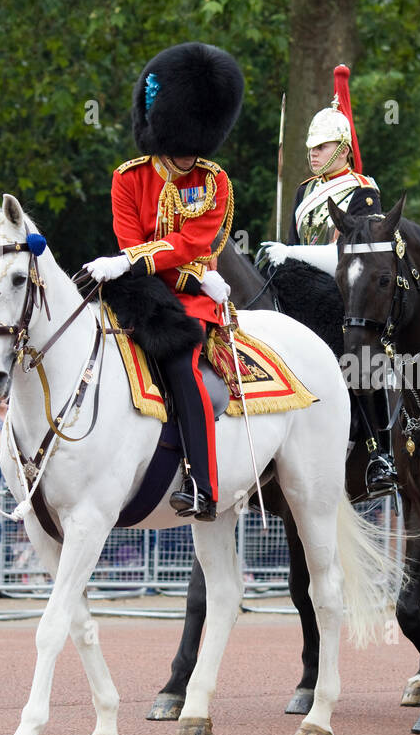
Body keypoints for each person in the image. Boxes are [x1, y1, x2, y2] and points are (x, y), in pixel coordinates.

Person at [83, 42, 243, 521]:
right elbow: (130, 237)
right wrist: (126, 264)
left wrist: (134, 260)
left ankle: (202, 484)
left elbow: (193, 243)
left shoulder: (215, 182)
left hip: (193, 298)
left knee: (180, 364)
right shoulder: (129, 178)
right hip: (139, 292)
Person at [259, 65, 395, 497]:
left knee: (358, 354)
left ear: (343, 148)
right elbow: (294, 243)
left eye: (322, 147)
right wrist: (281, 259)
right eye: (310, 147)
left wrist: (292, 253)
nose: (313, 154)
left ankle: (379, 449)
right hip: (300, 283)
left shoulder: (364, 191)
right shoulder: (303, 192)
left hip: (344, 291)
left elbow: (349, 255)